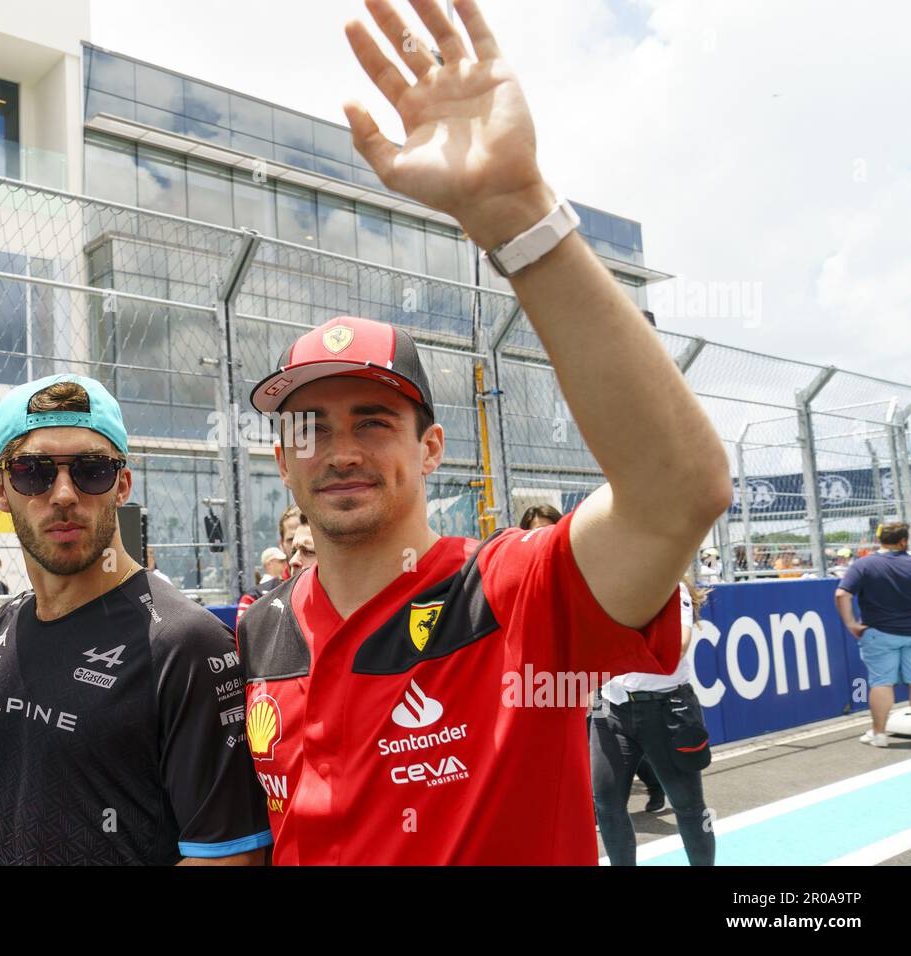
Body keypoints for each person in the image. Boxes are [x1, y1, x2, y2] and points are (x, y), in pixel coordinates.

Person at [234, 0, 730, 865]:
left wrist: (515, 213)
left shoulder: (512, 593)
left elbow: (680, 493)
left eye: (376, 421)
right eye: (311, 426)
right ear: (283, 457)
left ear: (432, 448)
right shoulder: (256, 628)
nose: (340, 449)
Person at [0, 374, 270, 866]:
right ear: (0, 490)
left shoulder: (185, 643)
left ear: (123, 485)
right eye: (33, 472)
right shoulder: (5, 627)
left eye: (91, 470)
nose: (64, 493)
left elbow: (227, 858)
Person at [591, 576, 715, 865]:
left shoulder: (671, 587)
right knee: (606, 805)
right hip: (608, 707)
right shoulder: (601, 587)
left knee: (688, 806)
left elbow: (678, 646)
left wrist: (615, 652)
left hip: (666, 707)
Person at [836, 521, 911, 748]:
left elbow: (841, 594)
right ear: (903, 541)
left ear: (880, 540)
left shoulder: (864, 564)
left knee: (881, 683)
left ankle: (879, 734)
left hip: (878, 632)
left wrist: (851, 624)